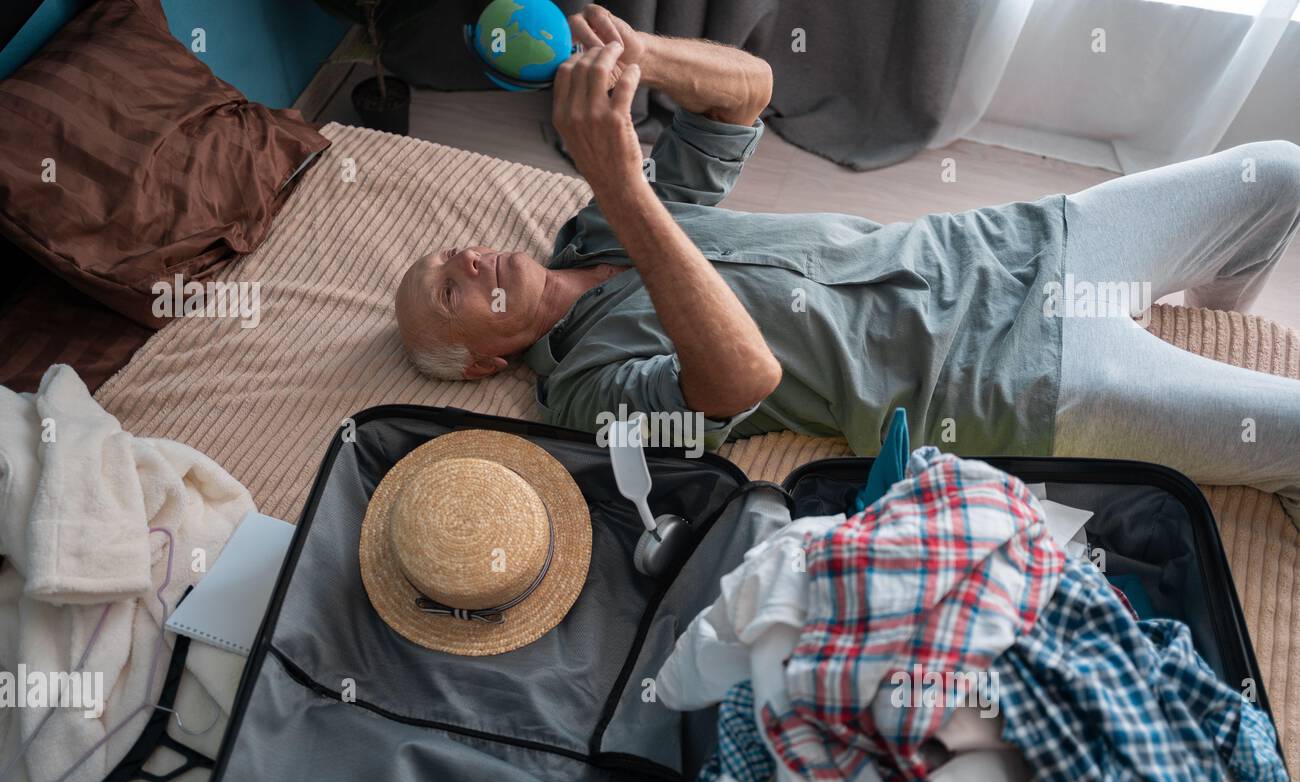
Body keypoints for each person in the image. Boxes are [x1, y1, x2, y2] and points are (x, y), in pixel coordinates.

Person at [395, 5, 1300, 526]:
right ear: (485, 363)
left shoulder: (591, 229)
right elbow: (740, 380)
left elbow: (748, 94)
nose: (471, 257)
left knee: (1277, 171)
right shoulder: (585, 403)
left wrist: (641, 53)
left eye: (453, 253)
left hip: (1007, 249)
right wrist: (632, 189)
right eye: (451, 288)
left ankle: (1211, 312)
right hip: (1009, 381)